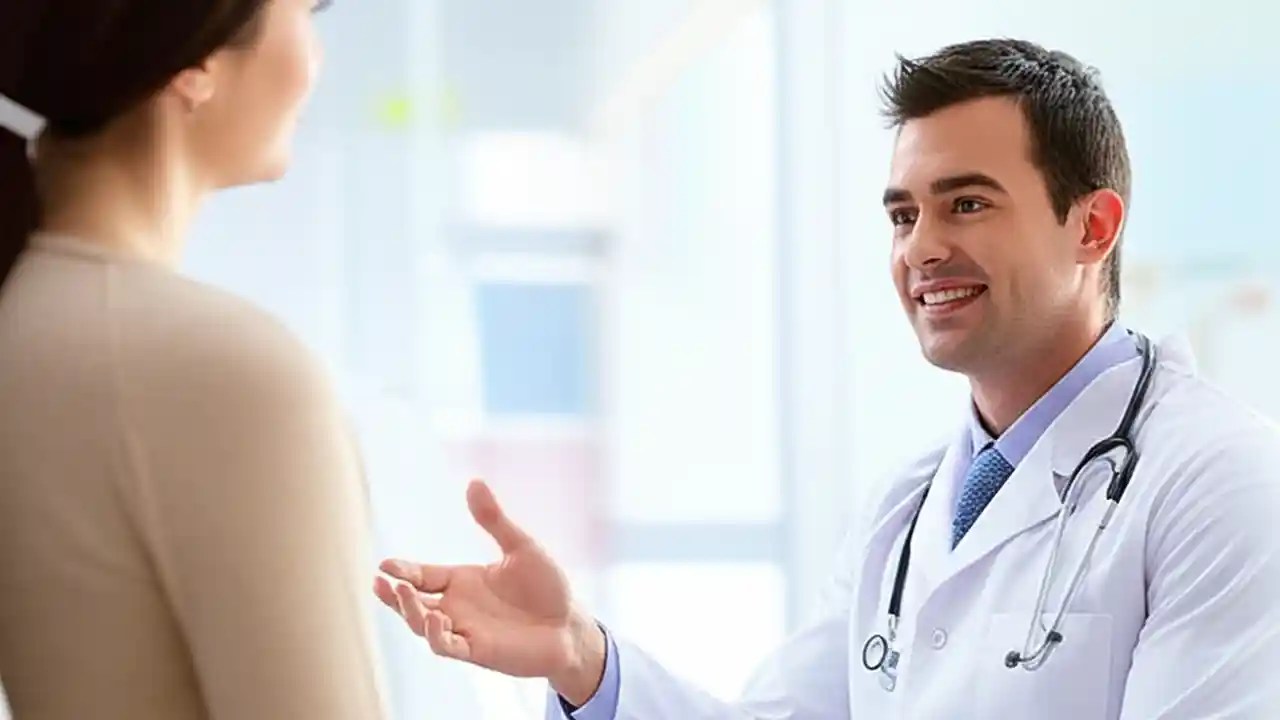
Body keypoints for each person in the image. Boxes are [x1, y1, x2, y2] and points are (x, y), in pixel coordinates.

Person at [374, 38, 1280, 719]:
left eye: (967, 202)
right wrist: (580, 655)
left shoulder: (1214, 478)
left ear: (1092, 228)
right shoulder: (910, 506)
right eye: (902, 213)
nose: (922, 247)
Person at [0, 1, 390, 718]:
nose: (315, 59)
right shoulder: (222, 375)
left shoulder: (29, 318)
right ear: (200, 66)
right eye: (303, 11)